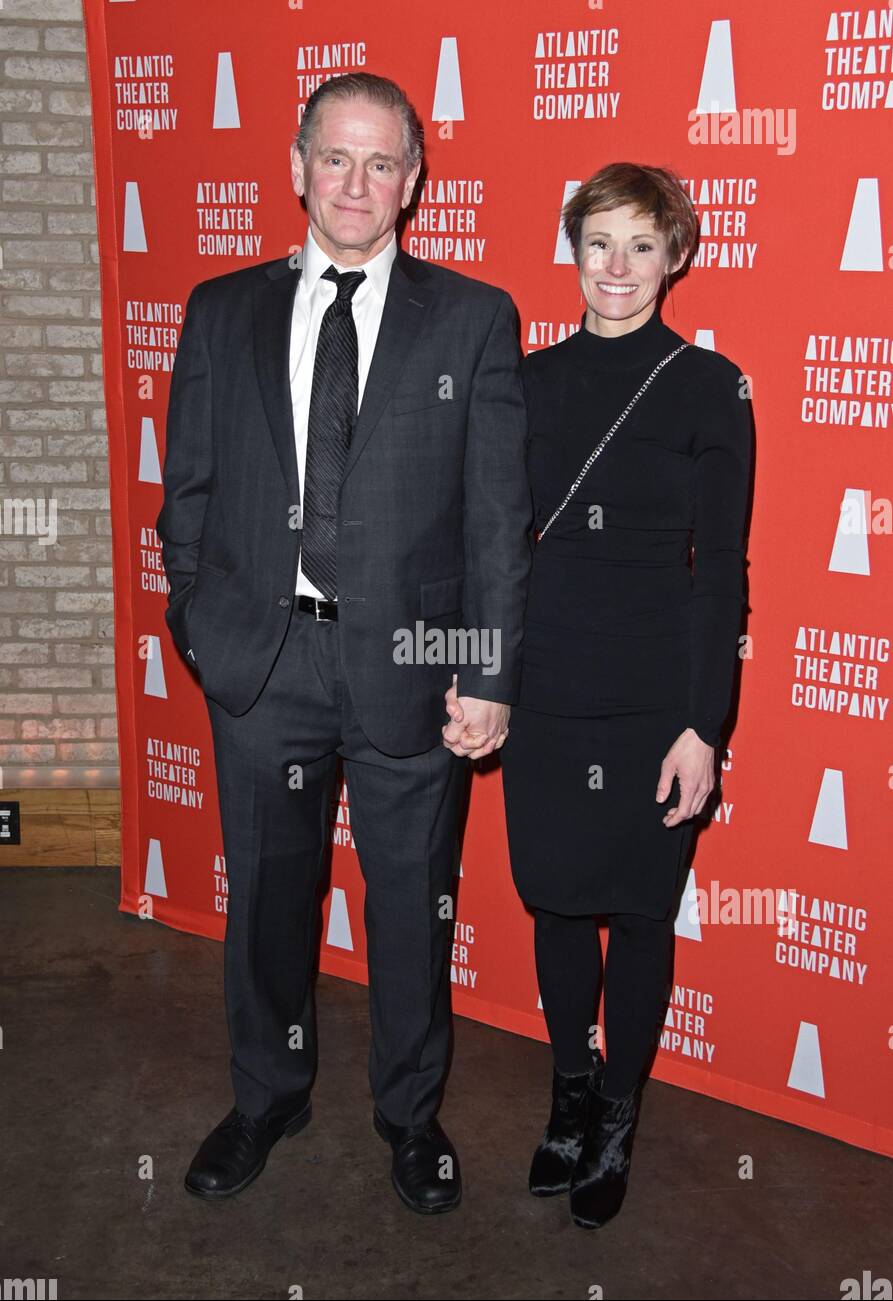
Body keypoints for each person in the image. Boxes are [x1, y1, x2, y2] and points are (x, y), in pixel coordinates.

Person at [156, 72, 531, 1215]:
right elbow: (190, 495)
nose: (356, 184)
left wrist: (484, 668)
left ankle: (409, 1117)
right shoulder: (222, 308)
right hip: (263, 668)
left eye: (381, 163)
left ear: (414, 182)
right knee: (268, 896)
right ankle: (266, 1093)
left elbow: (493, 516)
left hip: (414, 664)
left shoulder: (471, 317)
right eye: (335, 157)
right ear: (295, 165)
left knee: (411, 900)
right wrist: (205, 629)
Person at [449, 162, 753, 1229]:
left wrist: (699, 724)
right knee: (558, 902)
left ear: (675, 255)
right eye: (597, 243)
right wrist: (481, 674)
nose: (615, 267)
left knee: (636, 909)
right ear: (570, 252)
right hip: (544, 689)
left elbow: (718, 568)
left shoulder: (710, 387)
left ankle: (617, 1114)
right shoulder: (525, 380)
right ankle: (566, 1099)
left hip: (649, 699)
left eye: (639, 245)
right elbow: (488, 544)